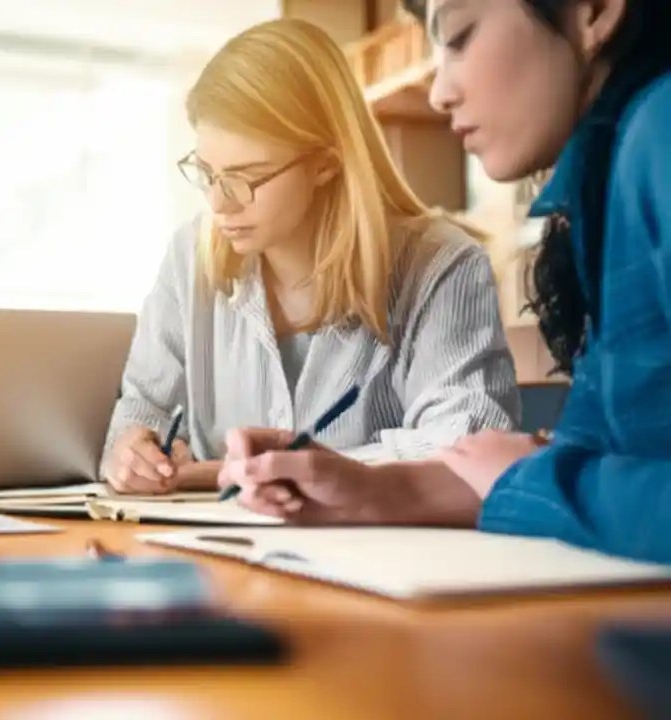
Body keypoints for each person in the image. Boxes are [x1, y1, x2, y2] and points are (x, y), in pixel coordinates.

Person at [222, 0, 671, 564]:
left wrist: (534, 484)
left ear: (595, 10)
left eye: (459, 38)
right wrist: (370, 491)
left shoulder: (661, 130)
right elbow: (602, 459)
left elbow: (571, 479)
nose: (439, 93)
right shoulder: (606, 181)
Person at [101, 18, 519, 504]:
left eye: (245, 178)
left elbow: (467, 450)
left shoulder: (442, 266)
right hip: (225, 549)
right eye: (207, 173)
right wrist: (130, 450)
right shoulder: (189, 258)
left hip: (379, 561)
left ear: (326, 163)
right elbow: (141, 410)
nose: (219, 205)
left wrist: (243, 470)